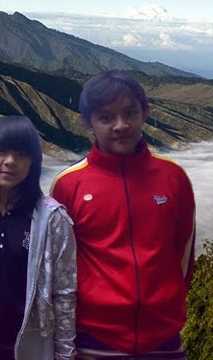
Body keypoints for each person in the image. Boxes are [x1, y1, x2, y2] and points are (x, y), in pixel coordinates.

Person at [51, 70, 196, 359]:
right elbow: (60, 264)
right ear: (87, 123)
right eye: (106, 118)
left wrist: (164, 303)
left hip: (163, 336)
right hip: (94, 339)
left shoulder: (174, 178)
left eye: (130, 113)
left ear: (145, 113)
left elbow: (183, 255)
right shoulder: (68, 185)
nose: (121, 125)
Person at [0, 115, 77, 360]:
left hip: (31, 348)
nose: (10, 162)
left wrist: (66, 355)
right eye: (0, 151)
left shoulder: (52, 219)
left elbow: (64, 294)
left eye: (21, 154)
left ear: (33, 162)